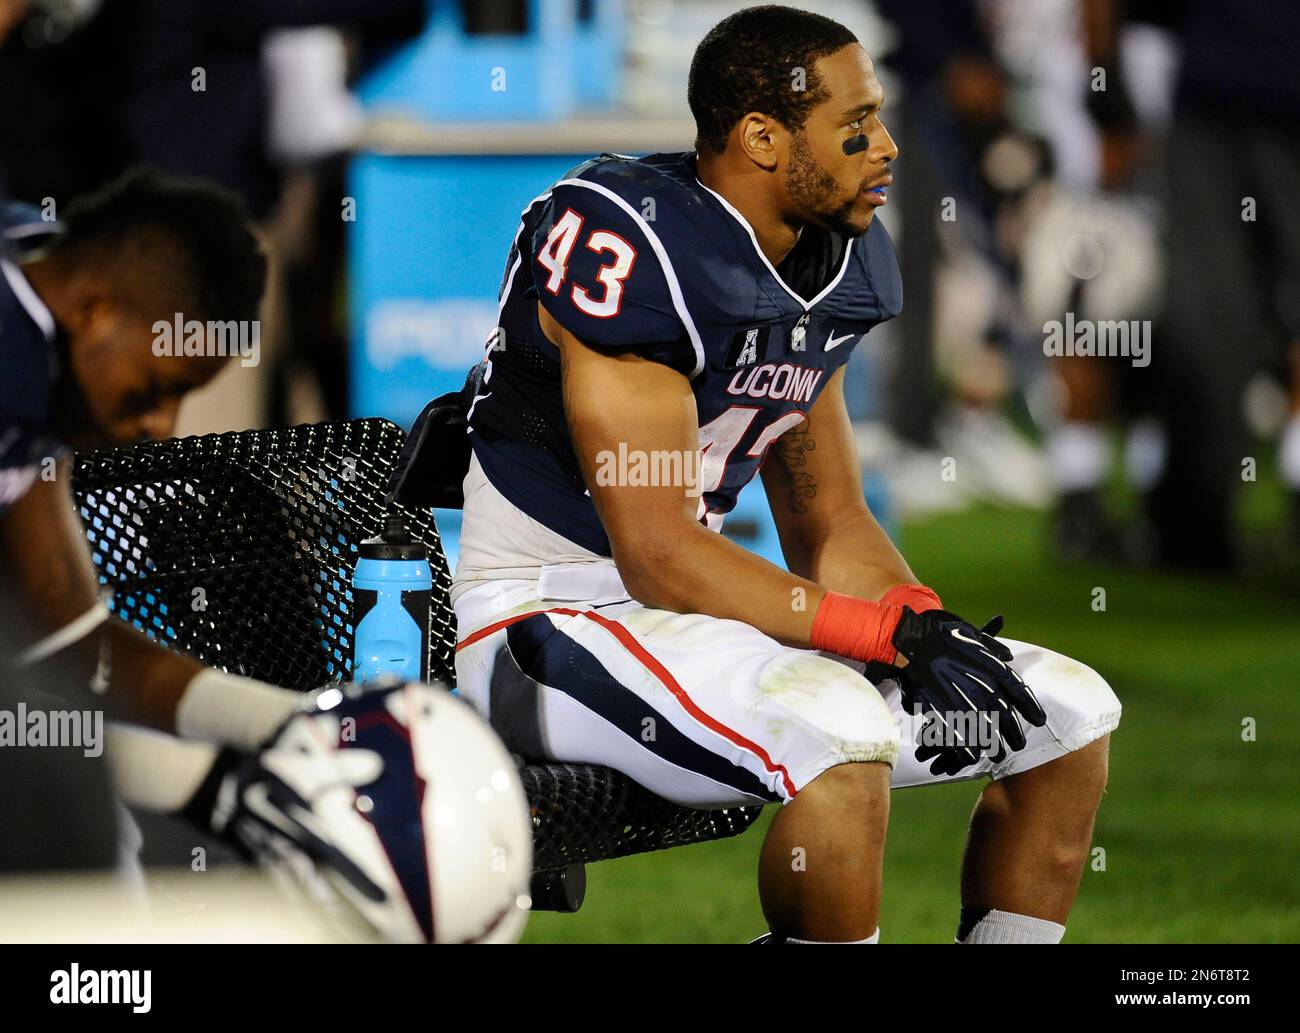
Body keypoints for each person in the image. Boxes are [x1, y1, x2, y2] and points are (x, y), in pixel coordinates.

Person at [447, 6, 1120, 944]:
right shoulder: (637, 245)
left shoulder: (828, 253)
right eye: (856, 126)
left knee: (1067, 717)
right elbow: (658, 554)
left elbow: (832, 520)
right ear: (763, 137)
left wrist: (918, 617)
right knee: (837, 731)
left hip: (688, 625)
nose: (884, 147)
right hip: (545, 622)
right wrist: (868, 631)